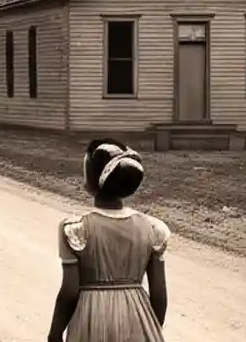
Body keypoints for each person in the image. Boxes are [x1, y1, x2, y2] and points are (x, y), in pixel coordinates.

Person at [47, 139, 170, 342]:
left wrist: (55, 333)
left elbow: (69, 291)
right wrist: (152, 328)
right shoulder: (153, 229)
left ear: (92, 180)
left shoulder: (76, 229)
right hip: (137, 317)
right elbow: (159, 293)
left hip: (92, 319)